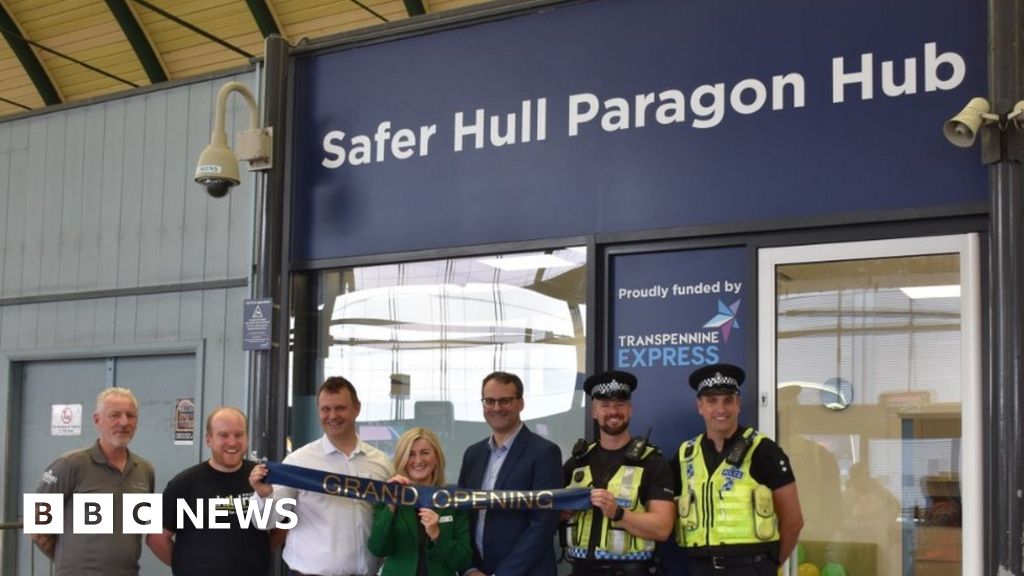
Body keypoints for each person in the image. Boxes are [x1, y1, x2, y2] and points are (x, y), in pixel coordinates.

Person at [250, 376, 393, 576]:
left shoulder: (381, 463)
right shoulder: (299, 461)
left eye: (340, 408)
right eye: (325, 409)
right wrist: (264, 495)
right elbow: (264, 522)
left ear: (357, 408)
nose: (332, 415)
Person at [674, 363, 804, 575]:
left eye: (728, 400)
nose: (721, 409)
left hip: (751, 567)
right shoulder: (686, 454)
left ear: (738, 404)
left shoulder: (763, 450)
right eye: (712, 401)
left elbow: (794, 521)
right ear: (700, 406)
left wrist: (771, 565)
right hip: (701, 568)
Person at [31, 387, 155, 576]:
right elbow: (37, 524)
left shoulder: (145, 470)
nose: (124, 422)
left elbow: (138, 531)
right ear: (97, 420)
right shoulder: (70, 465)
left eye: (131, 416)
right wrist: (70, 560)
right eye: (115, 415)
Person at [563, 370, 676, 575]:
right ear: (594, 412)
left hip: (632, 571)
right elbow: (550, 517)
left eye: (620, 404)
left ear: (630, 409)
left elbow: (663, 528)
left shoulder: (652, 463)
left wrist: (619, 513)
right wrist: (561, 515)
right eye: (605, 405)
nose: (613, 411)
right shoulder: (576, 463)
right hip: (580, 570)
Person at [458, 371, 563, 576]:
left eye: (505, 401)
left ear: (520, 403)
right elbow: (462, 514)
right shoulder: (473, 454)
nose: (496, 408)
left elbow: (543, 524)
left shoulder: (544, 453)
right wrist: (468, 568)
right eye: (489, 401)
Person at [146, 406, 270, 575]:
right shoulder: (183, 484)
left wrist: (259, 556)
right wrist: (187, 567)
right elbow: (156, 538)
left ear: (247, 438)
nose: (232, 442)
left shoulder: (263, 478)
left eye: (239, 435)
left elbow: (281, 527)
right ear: (208, 439)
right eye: (223, 435)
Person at [368, 427, 472, 575]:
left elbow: (463, 560)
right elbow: (378, 549)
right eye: (410, 454)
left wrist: (437, 535)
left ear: (436, 457)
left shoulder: (454, 498)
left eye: (425, 453)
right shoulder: (389, 495)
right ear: (402, 458)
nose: (418, 460)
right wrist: (391, 506)